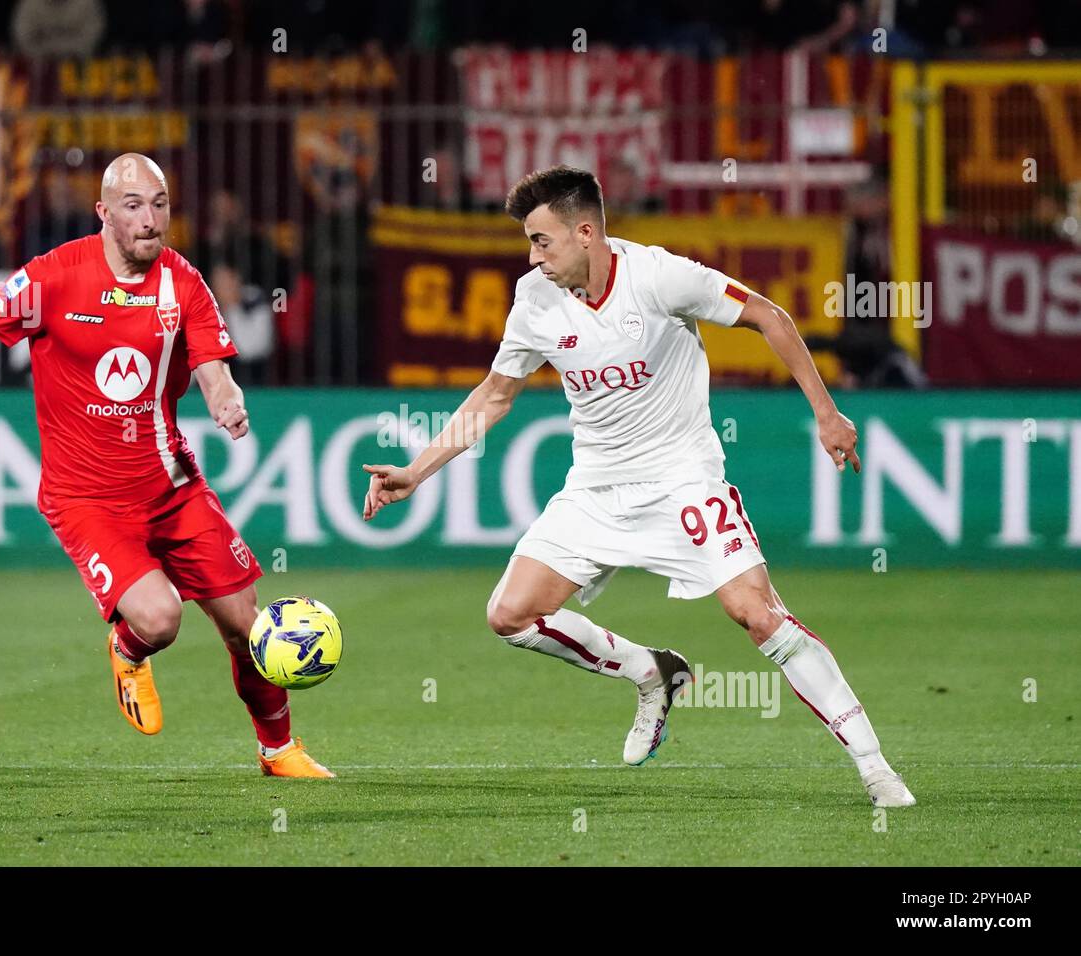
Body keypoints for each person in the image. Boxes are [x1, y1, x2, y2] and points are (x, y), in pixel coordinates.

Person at [362, 164, 915, 807]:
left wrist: (826, 411)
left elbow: (770, 317)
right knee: (509, 615)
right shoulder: (534, 298)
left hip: (683, 481)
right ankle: (652, 671)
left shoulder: (660, 276)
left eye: (542, 240)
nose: (532, 256)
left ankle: (876, 768)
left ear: (587, 232)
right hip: (595, 488)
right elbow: (496, 394)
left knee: (757, 614)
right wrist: (415, 472)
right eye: (529, 242)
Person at [0, 152, 333, 778]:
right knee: (159, 619)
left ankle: (279, 751)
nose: (150, 218)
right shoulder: (54, 277)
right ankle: (129, 648)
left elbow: (214, 370)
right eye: (133, 205)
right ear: (103, 212)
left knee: (250, 627)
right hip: (87, 499)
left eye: (159, 204)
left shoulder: (183, 282)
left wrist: (227, 401)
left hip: (173, 487)